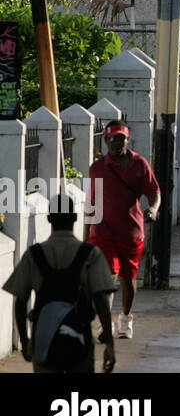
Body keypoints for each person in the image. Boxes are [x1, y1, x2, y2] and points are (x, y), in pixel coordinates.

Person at [4, 193, 117, 373]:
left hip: (44, 338)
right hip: (80, 339)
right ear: (75, 217)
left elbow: (20, 301)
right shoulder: (90, 254)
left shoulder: (34, 255)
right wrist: (110, 344)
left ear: (49, 219)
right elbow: (101, 299)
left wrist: (25, 342)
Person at [86, 121, 159, 341]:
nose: (117, 143)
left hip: (131, 232)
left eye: (121, 139)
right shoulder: (97, 168)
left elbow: (154, 191)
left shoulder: (139, 164)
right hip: (103, 232)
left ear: (127, 140)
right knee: (107, 278)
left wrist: (153, 209)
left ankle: (126, 319)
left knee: (128, 279)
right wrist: (86, 233)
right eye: (112, 139)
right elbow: (91, 202)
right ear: (106, 141)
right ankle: (105, 324)